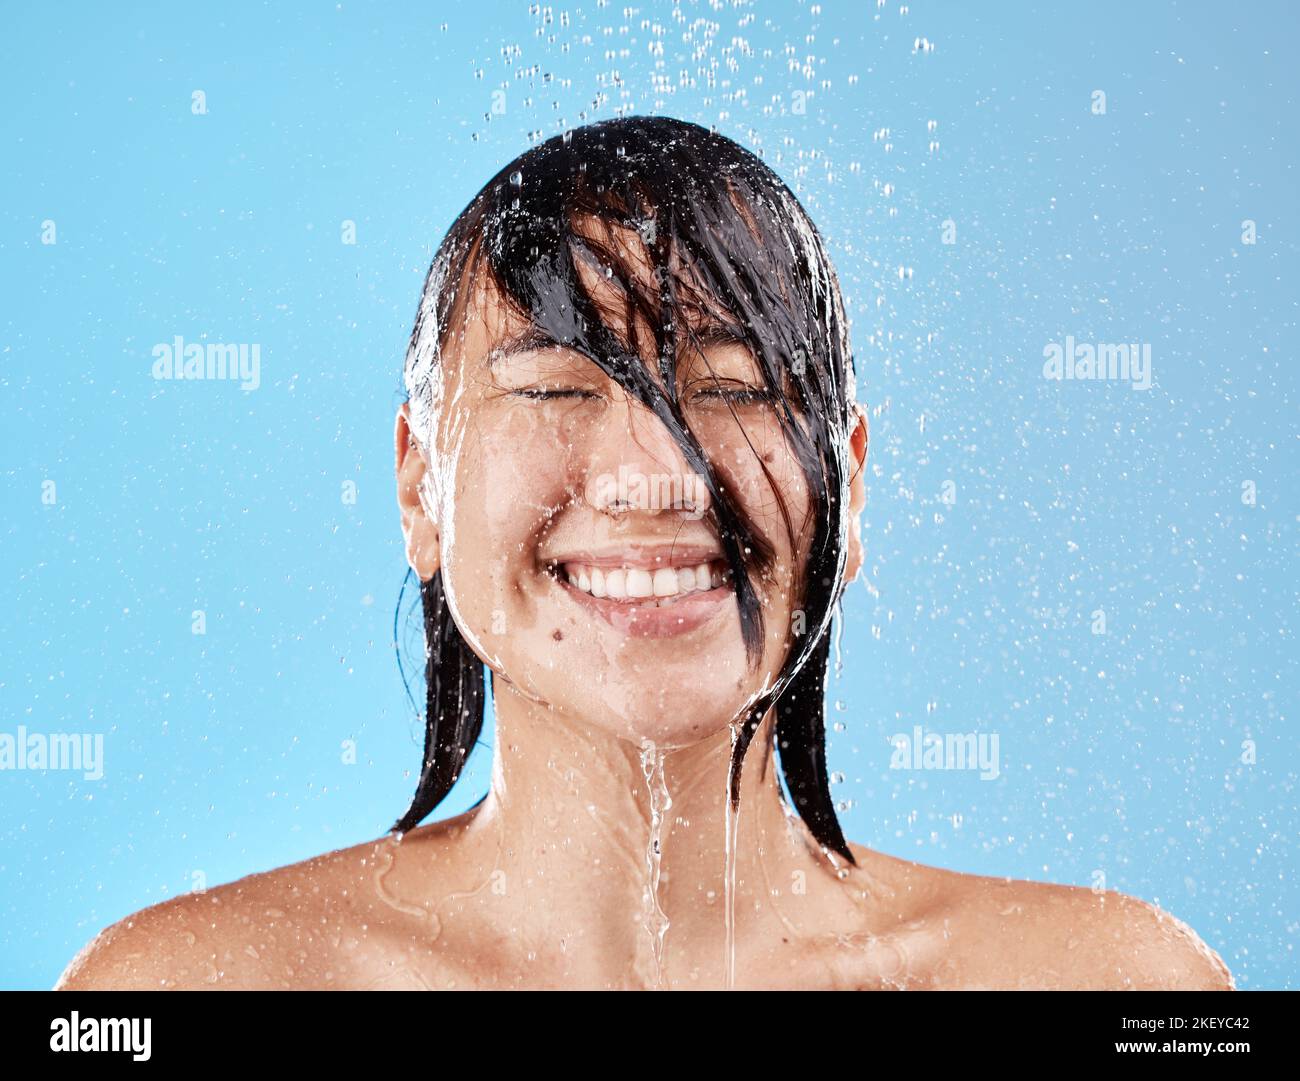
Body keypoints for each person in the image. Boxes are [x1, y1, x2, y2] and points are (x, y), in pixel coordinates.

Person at [57, 116, 1233, 990]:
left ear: (851, 485)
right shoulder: (181, 991)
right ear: (421, 482)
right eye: (557, 385)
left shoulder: (1114, 987)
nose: (656, 468)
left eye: (732, 387)